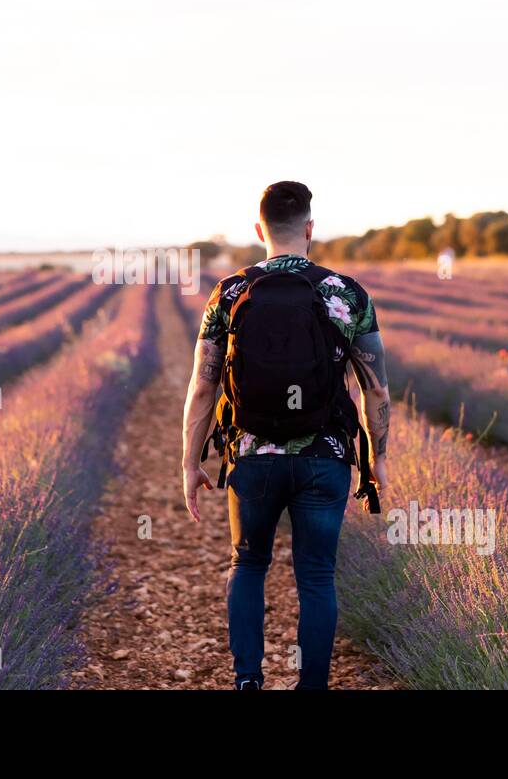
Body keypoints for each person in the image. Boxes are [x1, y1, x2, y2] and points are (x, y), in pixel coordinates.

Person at [180, 181, 390, 690]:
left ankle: (248, 681)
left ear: (260, 229)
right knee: (316, 575)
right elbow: (376, 391)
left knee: (248, 563)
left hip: (252, 457)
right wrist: (376, 462)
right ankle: (311, 685)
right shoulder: (346, 293)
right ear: (311, 229)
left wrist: (190, 462)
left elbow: (204, 385)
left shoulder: (230, 292)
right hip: (327, 456)